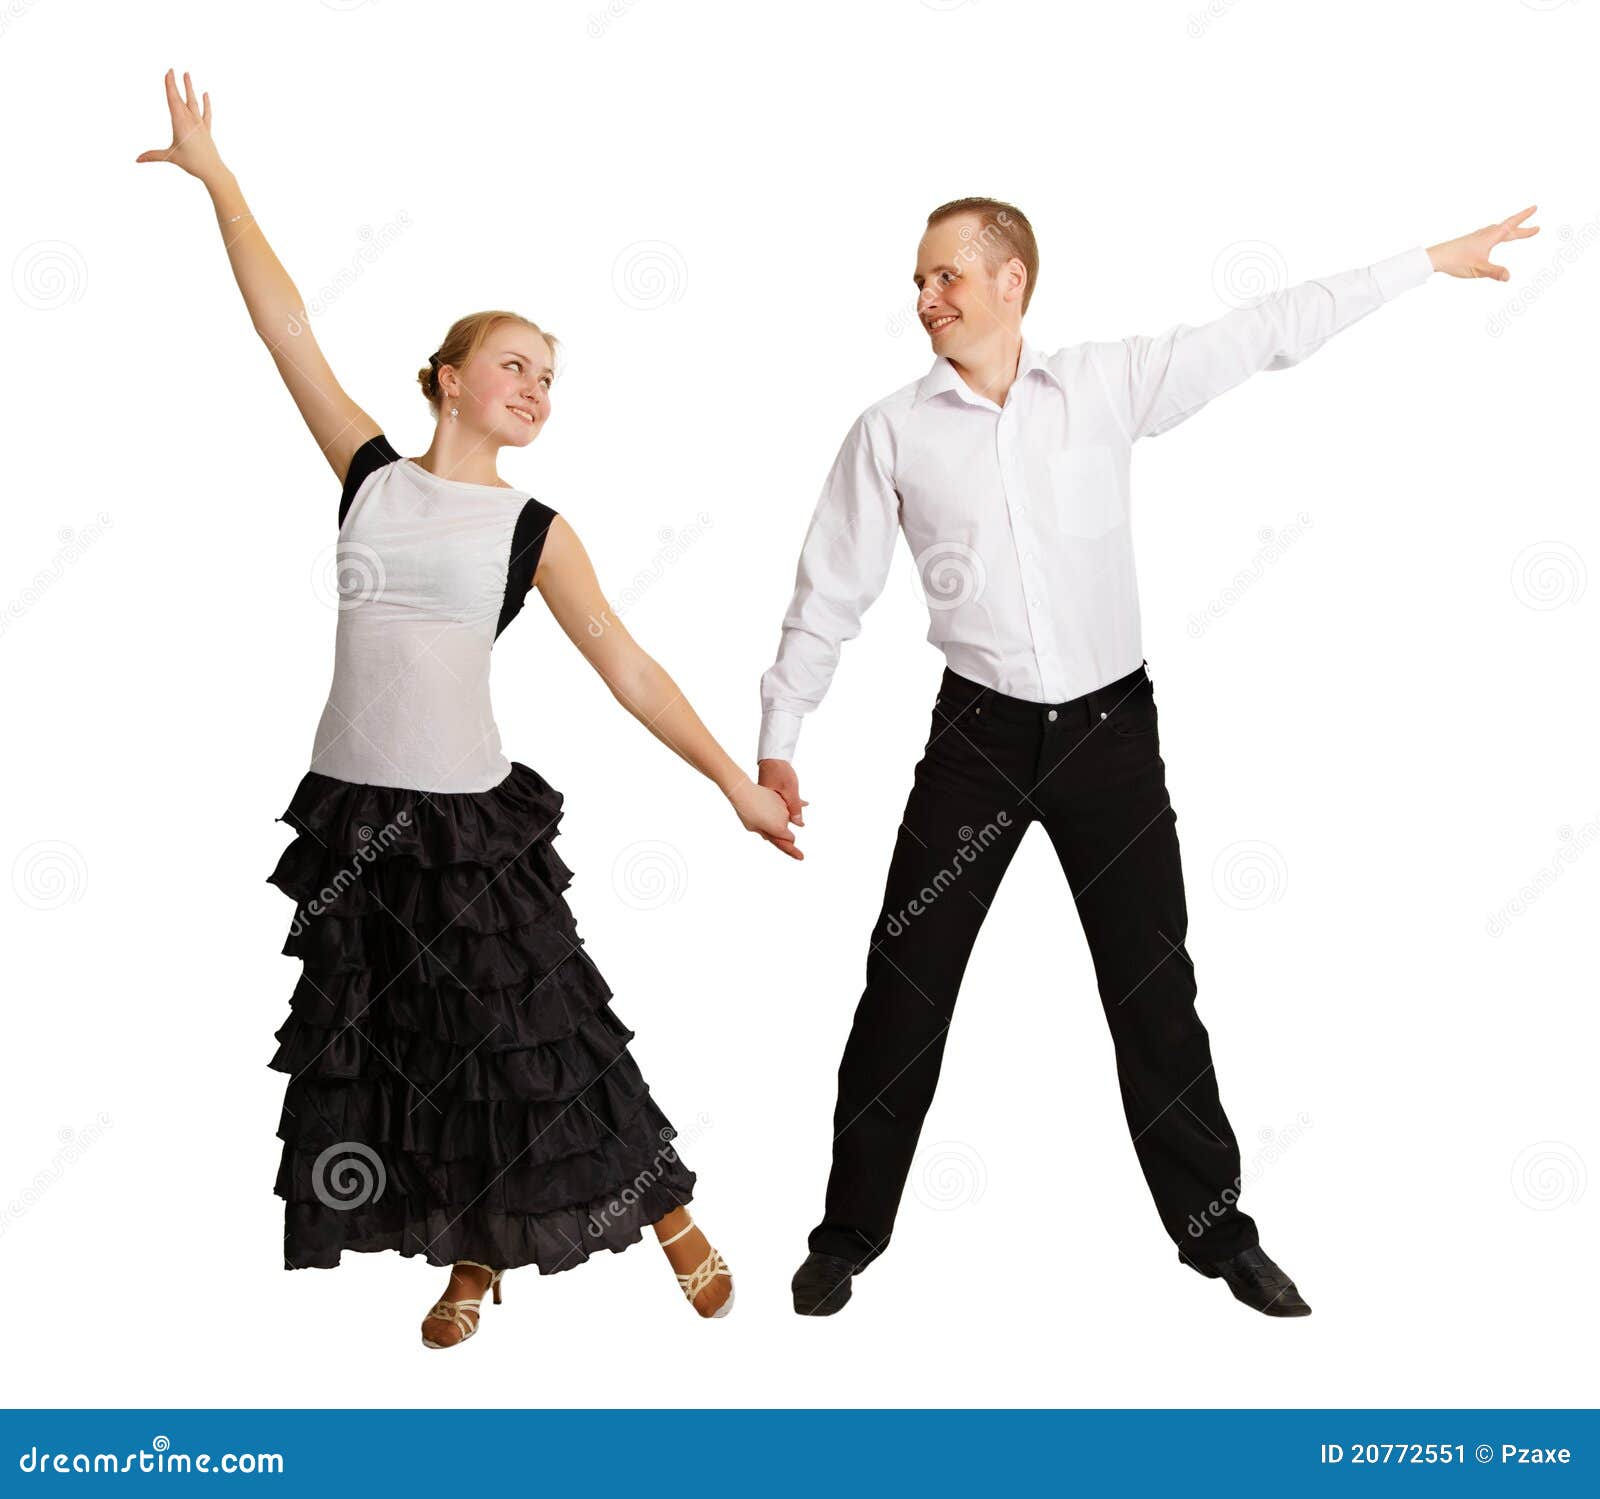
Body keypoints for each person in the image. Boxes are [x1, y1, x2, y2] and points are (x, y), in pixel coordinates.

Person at [760, 194, 1537, 1318]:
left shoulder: (1106, 383)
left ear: (1010, 279)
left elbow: (1272, 326)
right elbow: (828, 589)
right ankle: (847, 1233)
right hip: (975, 738)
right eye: (921, 280)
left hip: (1110, 738)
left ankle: (1216, 1233)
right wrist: (781, 737)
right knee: (906, 979)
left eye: (946, 277)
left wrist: (1426, 261)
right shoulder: (890, 428)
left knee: (1152, 989)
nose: (925, 298)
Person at [138, 68, 800, 1347]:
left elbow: (630, 667)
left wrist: (732, 780)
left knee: (536, 1031)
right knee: (409, 1050)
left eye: (550, 376)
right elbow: (285, 332)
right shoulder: (370, 474)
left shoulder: (532, 528)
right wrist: (220, 180)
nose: (536, 387)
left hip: (463, 820)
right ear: (445, 377)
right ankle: (469, 1258)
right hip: (353, 811)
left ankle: (665, 1211)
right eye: (513, 364)